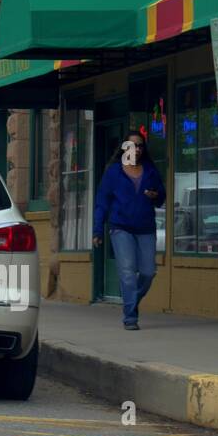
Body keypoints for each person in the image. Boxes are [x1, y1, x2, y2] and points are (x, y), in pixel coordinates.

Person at [92, 132, 166, 330]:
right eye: (132, 145)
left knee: (148, 272)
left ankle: (131, 299)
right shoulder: (114, 172)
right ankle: (130, 317)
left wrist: (154, 195)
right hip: (120, 227)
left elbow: (161, 198)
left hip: (145, 227)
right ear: (125, 148)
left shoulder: (150, 170)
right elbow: (101, 203)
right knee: (127, 272)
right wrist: (97, 229)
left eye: (140, 146)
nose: (137, 149)